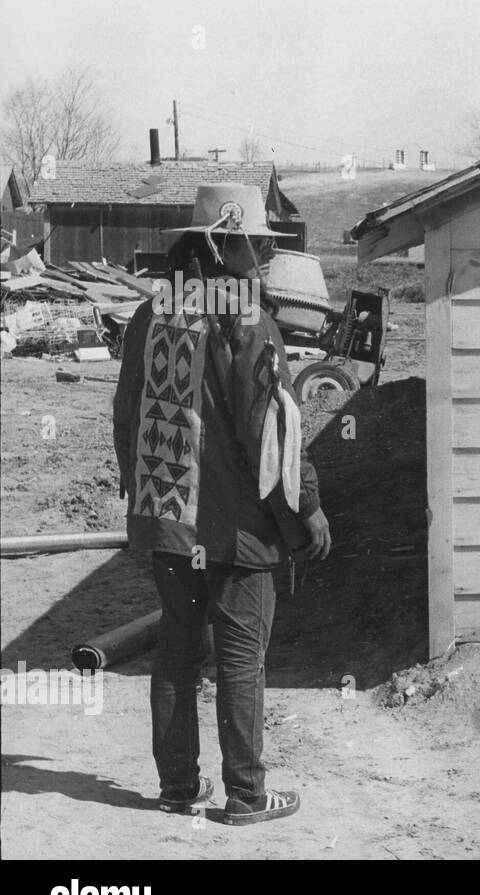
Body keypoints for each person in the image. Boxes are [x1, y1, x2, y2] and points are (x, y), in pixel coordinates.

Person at [113, 183, 331, 825]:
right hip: (235, 528)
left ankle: (179, 788)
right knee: (241, 658)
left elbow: (126, 417)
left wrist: (145, 502)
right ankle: (246, 796)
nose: (265, 253)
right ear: (223, 243)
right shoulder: (245, 317)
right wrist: (308, 507)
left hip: (170, 523)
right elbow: (273, 429)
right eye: (257, 241)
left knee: (179, 649)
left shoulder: (152, 314)